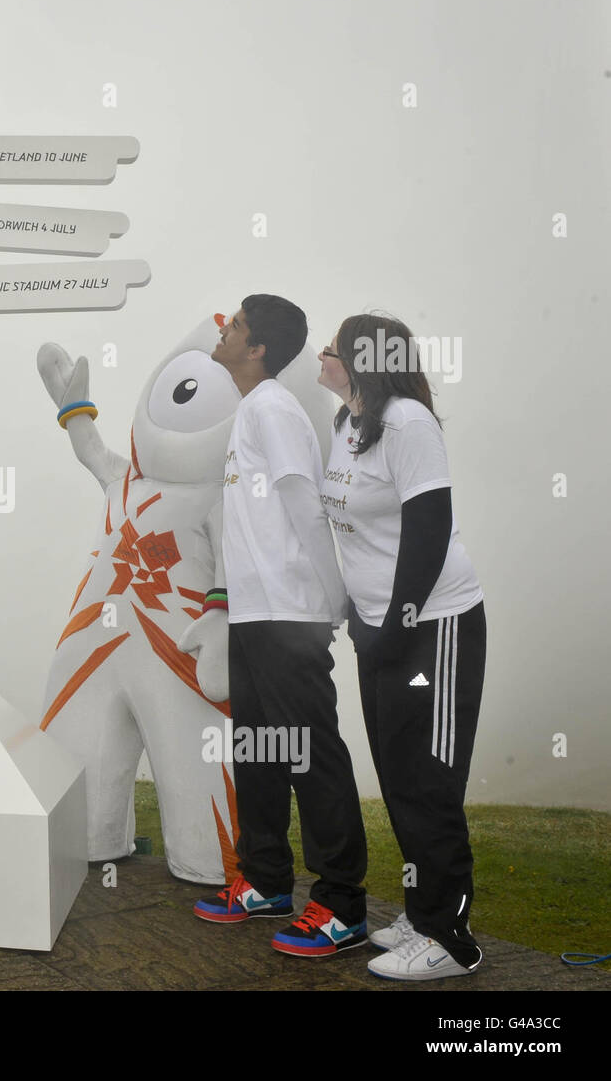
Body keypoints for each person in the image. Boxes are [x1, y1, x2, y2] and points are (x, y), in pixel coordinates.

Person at [192, 295, 369, 960]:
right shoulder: (250, 411)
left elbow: (304, 501)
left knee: (309, 753)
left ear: (259, 347)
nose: (224, 330)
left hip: (292, 616)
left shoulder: (272, 409)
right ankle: (265, 880)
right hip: (254, 614)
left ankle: (343, 904)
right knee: (260, 750)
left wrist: (330, 602)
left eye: (235, 325)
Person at [318, 313, 486, 981]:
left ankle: (454, 939)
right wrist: (362, 619)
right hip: (379, 629)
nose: (321, 358)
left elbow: (429, 529)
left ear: (361, 361)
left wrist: (398, 622)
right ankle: (422, 915)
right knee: (396, 771)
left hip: (433, 627)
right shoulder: (348, 426)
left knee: (428, 779)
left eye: (331, 349)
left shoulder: (410, 423)